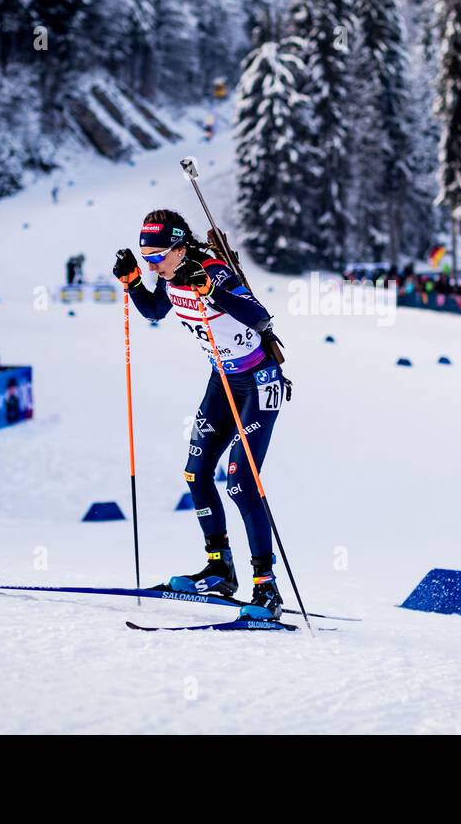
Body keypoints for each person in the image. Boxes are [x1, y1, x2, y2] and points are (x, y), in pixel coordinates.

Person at [113, 209, 288, 620]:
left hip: (259, 382)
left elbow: (259, 316)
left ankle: (266, 587)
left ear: (179, 248)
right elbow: (156, 310)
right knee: (196, 473)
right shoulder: (168, 274)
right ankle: (220, 568)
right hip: (222, 380)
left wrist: (213, 292)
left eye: (156, 257)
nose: (152, 265)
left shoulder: (212, 269)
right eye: (146, 257)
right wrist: (135, 282)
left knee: (241, 482)